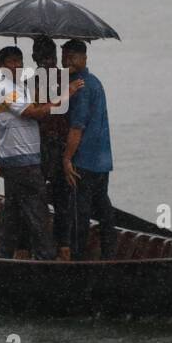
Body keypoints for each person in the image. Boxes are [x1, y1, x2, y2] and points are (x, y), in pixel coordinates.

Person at [0, 45, 78, 261]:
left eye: (19, 61)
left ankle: (3, 256)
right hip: (21, 161)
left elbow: (38, 102)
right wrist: (67, 94)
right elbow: (35, 113)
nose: (17, 66)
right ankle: (46, 259)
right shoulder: (5, 89)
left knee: (12, 213)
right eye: (11, 62)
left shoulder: (20, 88)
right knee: (38, 213)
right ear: (1, 66)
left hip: (19, 159)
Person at [61, 39, 116, 261]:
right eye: (64, 56)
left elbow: (77, 127)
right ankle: (109, 254)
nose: (68, 61)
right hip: (102, 160)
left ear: (85, 58)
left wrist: (66, 159)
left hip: (84, 160)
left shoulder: (80, 86)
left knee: (79, 212)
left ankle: (79, 257)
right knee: (103, 208)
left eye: (73, 56)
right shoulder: (95, 82)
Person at [30, 36, 74, 260]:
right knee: (62, 200)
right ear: (56, 55)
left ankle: (33, 249)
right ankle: (64, 248)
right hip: (64, 146)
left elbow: (31, 113)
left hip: (41, 146)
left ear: (34, 56)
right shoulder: (66, 79)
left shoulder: (31, 81)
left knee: (36, 199)